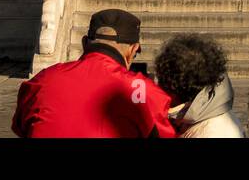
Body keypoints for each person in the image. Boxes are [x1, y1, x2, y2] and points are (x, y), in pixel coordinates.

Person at [11, 9, 176, 138]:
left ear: (84, 43)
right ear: (132, 50)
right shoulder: (141, 89)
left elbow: (21, 127)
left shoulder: (44, 79)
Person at [156, 35, 245, 138]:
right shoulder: (207, 111)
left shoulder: (213, 132)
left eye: (161, 82)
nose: (158, 87)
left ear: (173, 88)